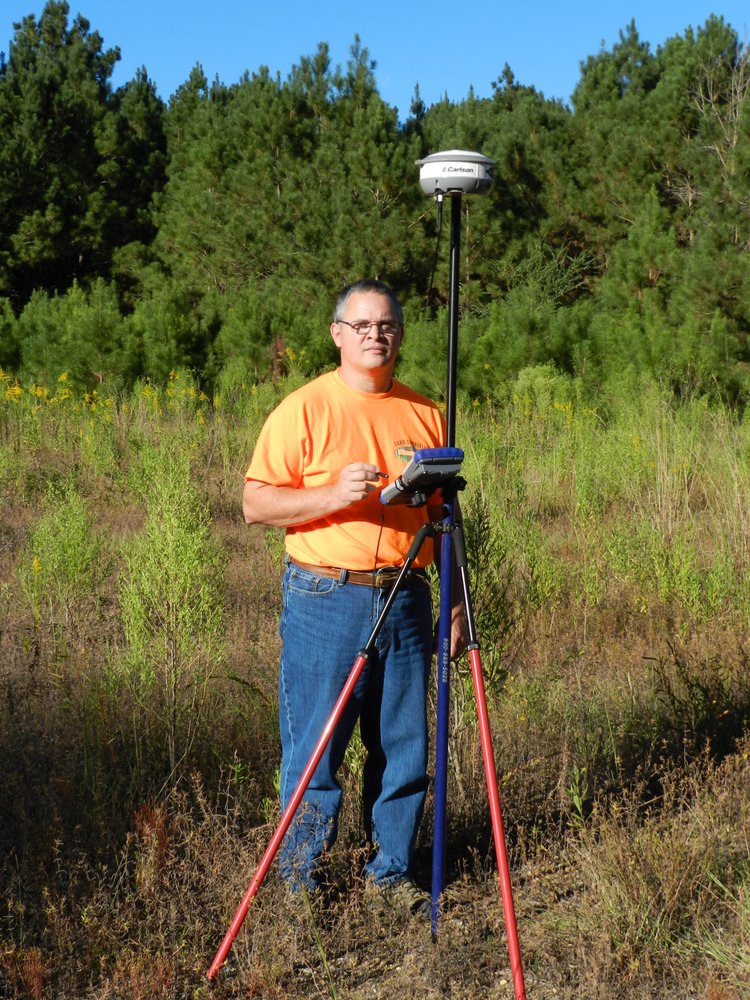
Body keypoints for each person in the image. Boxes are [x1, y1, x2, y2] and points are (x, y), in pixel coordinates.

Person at [242, 278, 467, 914]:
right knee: (317, 745)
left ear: (400, 333)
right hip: (325, 596)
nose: (377, 335)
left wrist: (453, 600)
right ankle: (298, 883)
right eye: (363, 326)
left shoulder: (425, 413)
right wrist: (332, 497)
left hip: (408, 596)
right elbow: (255, 503)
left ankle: (391, 876)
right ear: (338, 334)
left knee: (404, 748)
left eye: (388, 325)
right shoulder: (304, 408)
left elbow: (445, 514)